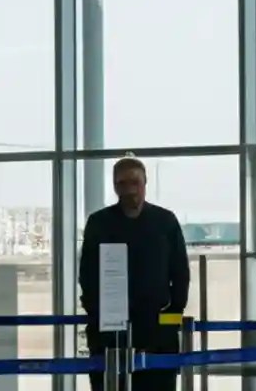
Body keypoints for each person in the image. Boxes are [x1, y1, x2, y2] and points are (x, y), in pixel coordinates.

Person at [80, 156, 190, 391]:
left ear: (145, 183)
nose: (129, 190)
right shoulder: (99, 223)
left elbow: (180, 274)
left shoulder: (165, 222)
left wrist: (171, 319)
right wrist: (97, 314)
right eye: (122, 184)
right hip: (110, 333)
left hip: (158, 334)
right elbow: (87, 276)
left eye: (134, 182)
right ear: (114, 186)